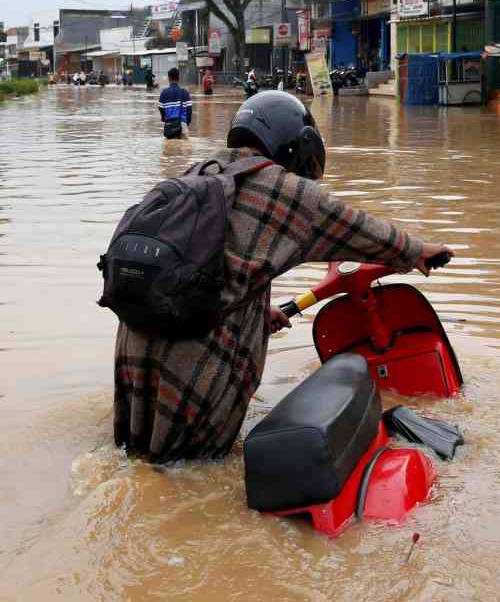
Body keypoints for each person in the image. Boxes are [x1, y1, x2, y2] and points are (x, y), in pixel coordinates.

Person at [113, 91, 451, 463]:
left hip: (136, 340)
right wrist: (418, 251)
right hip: (197, 358)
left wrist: (259, 313)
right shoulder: (291, 193)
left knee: (134, 459)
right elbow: (360, 230)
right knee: (189, 470)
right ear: (297, 142)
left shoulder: (203, 171)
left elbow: (213, 268)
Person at [157, 67, 193, 139]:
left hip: (169, 126)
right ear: (178, 78)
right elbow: (189, 110)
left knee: (169, 148)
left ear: (169, 78)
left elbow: (161, 108)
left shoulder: (164, 92)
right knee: (184, 148)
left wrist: (165, 119)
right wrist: (186, 123)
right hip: (182, 123)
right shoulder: (184, 92)